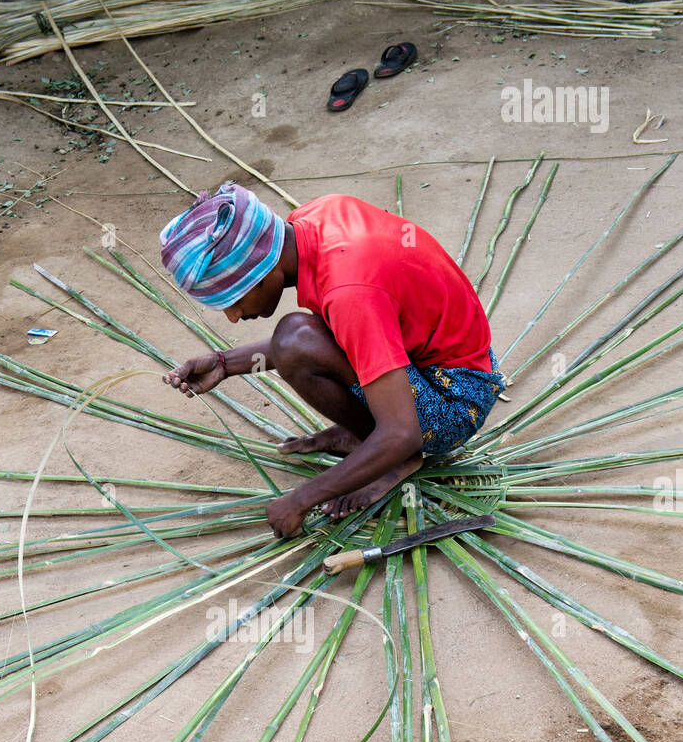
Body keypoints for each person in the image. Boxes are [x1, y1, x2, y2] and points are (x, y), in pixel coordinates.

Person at [159, 183, 505, 539]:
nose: (234, 316)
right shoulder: (315, 218)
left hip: (456, 400)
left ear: (261, 273)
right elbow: (347, 326)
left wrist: (300, 500)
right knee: (295, 338)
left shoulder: (350, 292)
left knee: (295, 338)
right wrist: (224, 363)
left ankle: (390, 457)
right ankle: (368, 437)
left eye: (232, 299)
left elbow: (402, 431)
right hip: (439, 356)